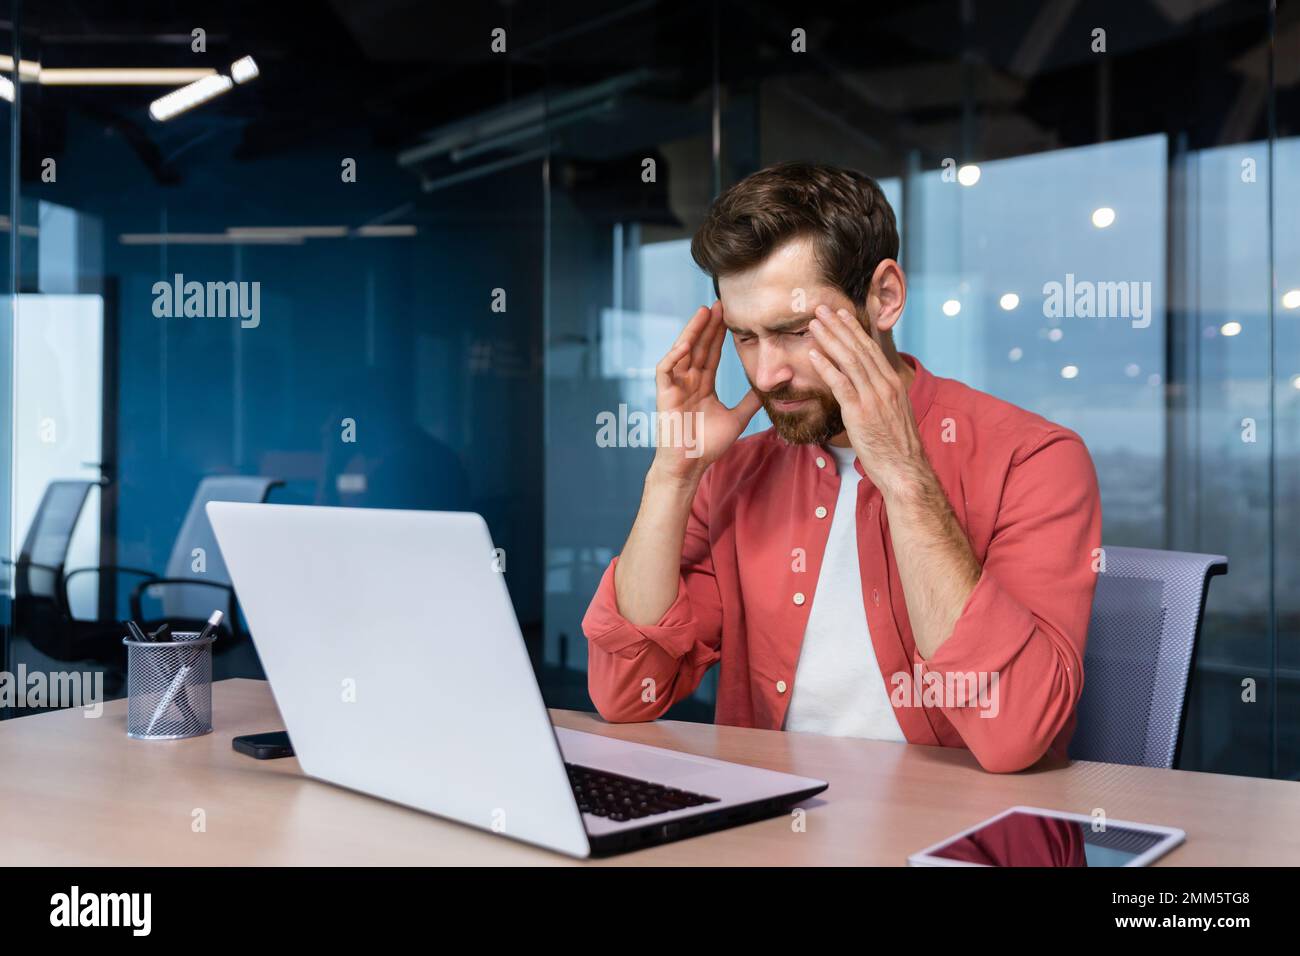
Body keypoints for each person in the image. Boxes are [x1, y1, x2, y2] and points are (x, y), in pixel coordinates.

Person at [581, 161, 1102, 773]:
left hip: (951, 838)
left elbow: (1014, 734)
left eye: (795, 330)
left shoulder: (1033, 459)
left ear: (883, 298)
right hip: (768, 833)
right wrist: (675, 473)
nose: (767, 372)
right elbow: (625, 694)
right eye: (747, 337)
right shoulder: (736, 474)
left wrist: (903, 475)